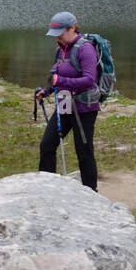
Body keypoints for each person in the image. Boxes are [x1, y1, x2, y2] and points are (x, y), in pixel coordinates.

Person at [35, 11, 100, 190]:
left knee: (84, 152)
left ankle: (91, 193)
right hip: (64, 102)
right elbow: (57, 75)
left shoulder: (85, 49)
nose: (58, 38)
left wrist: (61, 81)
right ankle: (46, 187)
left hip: (84, 107)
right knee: (47, 145)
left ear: (72, 28)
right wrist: (47, 91)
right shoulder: (60, 50)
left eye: (61, 33)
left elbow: (89, 80)